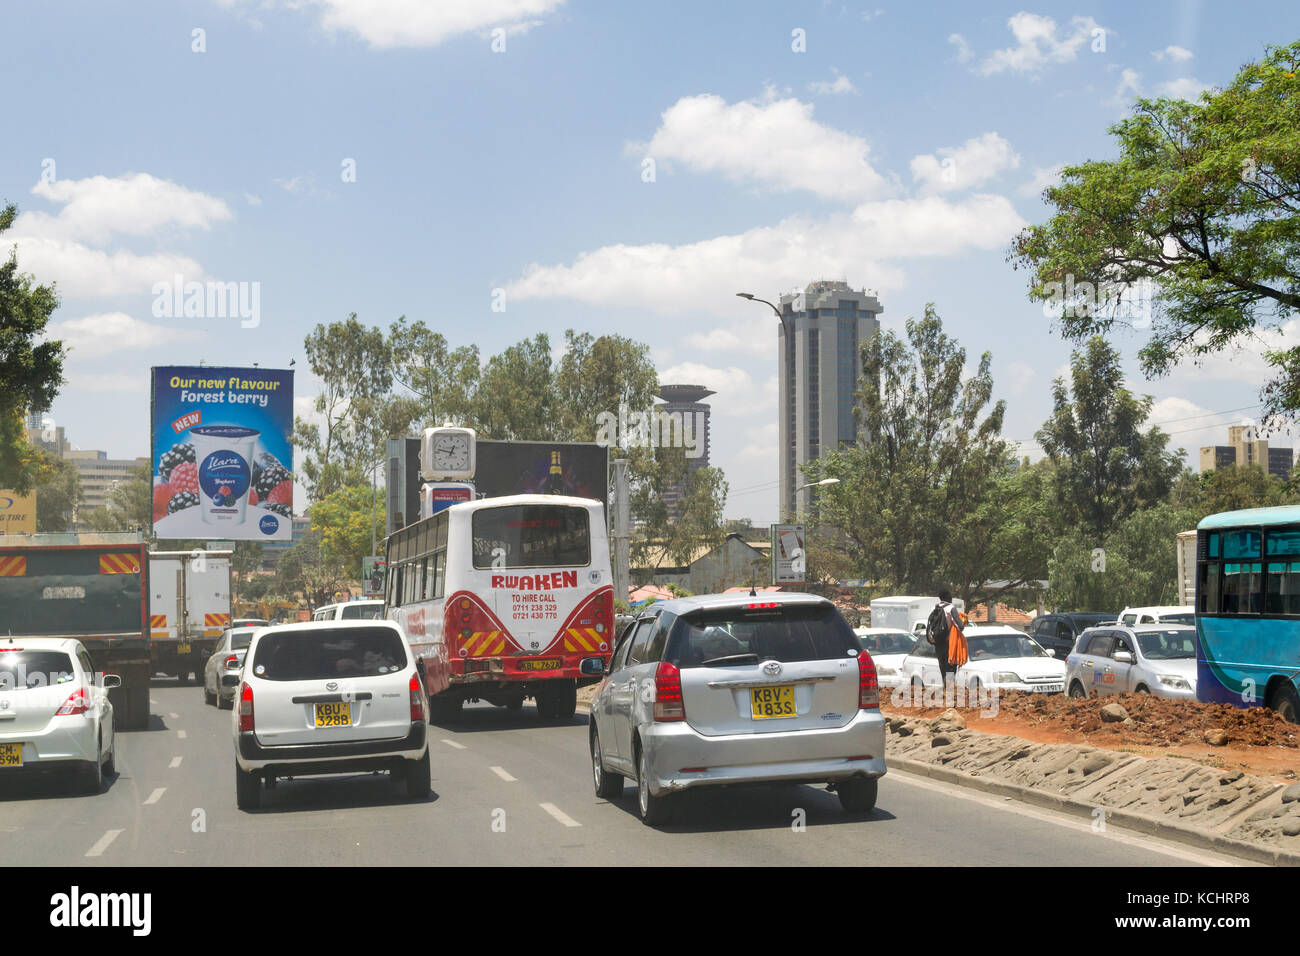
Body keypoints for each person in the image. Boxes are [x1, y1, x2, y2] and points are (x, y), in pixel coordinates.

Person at [926, 587, 961, 689]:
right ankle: (950, 691)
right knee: (951, 666)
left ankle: (946, 689)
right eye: (950, 596)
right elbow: (960, 626)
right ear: (947, 597)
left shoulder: (934, 608)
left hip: (938, 643)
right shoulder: (951, 608)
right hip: (949, 643)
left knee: (942, 666)